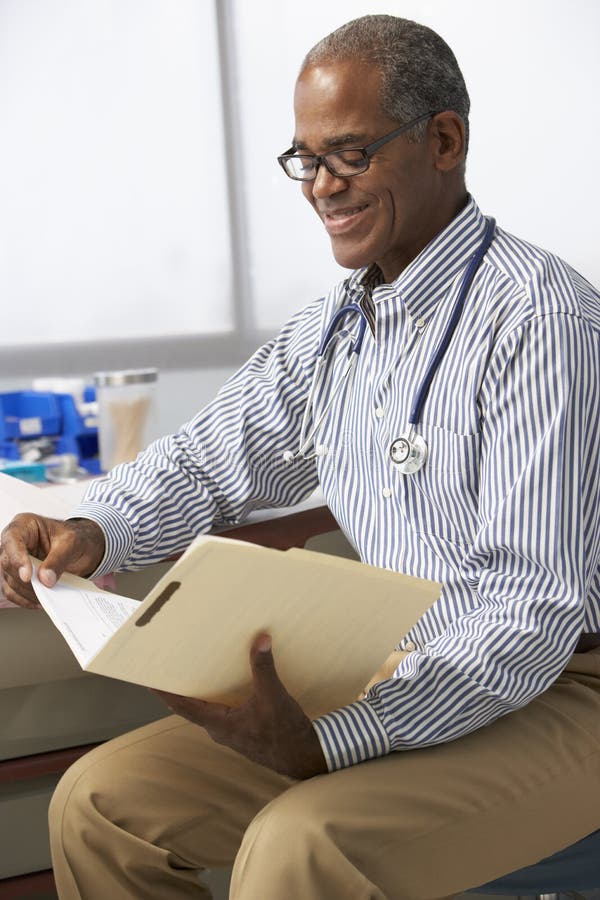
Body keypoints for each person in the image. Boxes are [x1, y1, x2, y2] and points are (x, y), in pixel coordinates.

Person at [1, 13, 599, 900]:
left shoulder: (541, 324)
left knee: (298, 845)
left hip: (561, 686)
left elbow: (526, 614)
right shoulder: (331, 331)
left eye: (349, 154)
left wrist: (340, 736)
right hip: (398, 667)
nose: (320, 186)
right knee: (98, 803)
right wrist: (93, 526)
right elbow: (205, 463)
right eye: (305, 159)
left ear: (444, 140)